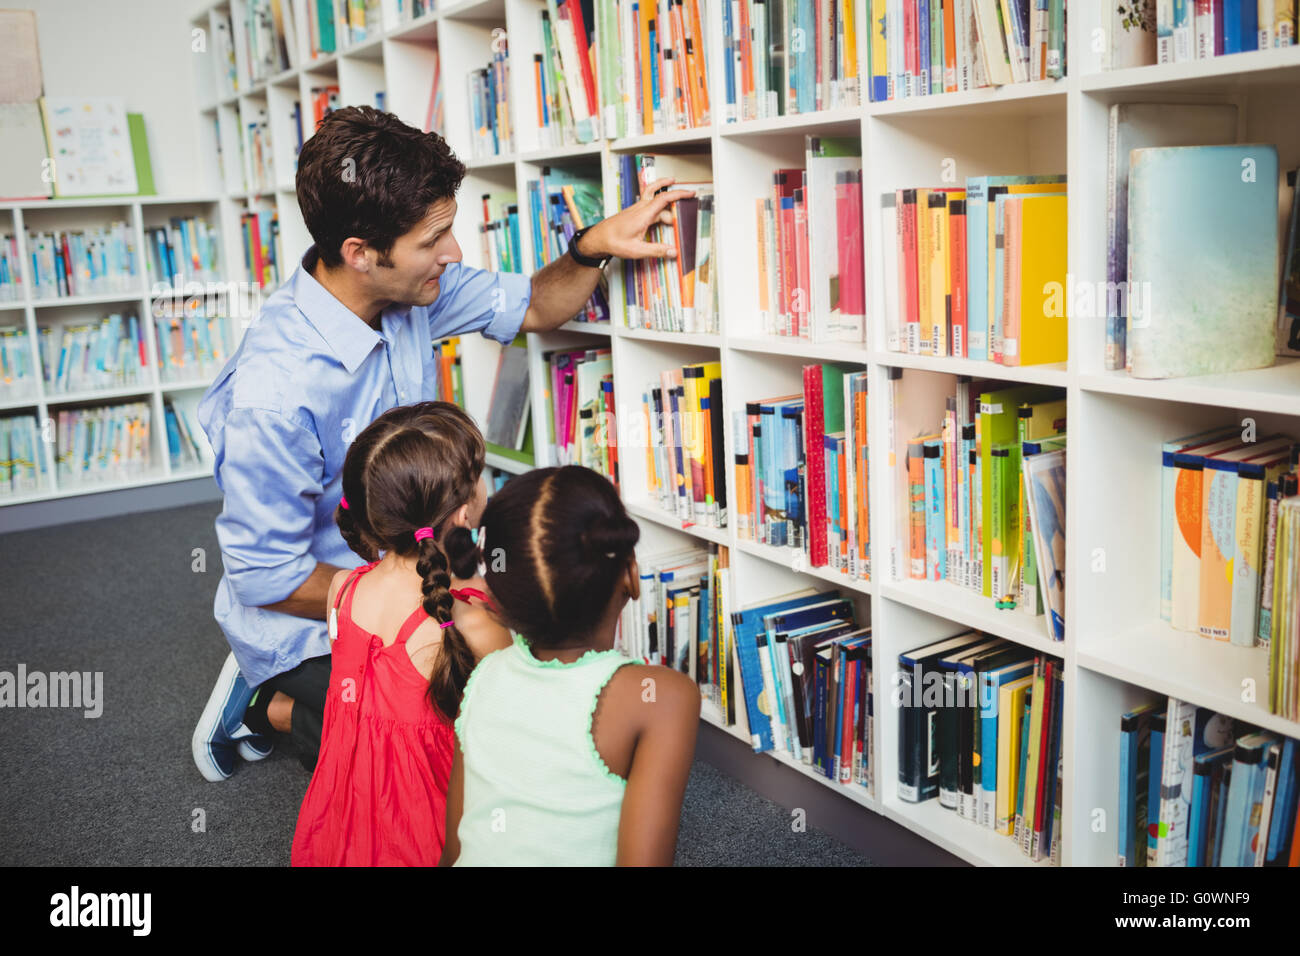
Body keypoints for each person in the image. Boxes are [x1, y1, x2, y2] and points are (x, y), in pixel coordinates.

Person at [192, 105, 691, 781]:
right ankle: (265, 703)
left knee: (505, 701)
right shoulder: (273, 395)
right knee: (446, 738)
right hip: (313, 610)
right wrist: (414, 602)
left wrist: (591, 247)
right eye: (435, 239)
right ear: (360, 254)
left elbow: (535, 307)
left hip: (422, 567)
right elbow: (267, 576)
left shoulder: (412, 288)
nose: (453, 254)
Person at [439, 466, 700, 866]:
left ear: (501, 599)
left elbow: (455, 851)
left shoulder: (481, 678)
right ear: (631, 574)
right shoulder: (663, 697)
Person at [291, 401, 507, 865]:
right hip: (426, 824)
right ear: (465, 512)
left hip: (342, 812)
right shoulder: (472, 624)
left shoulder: (341, 590)